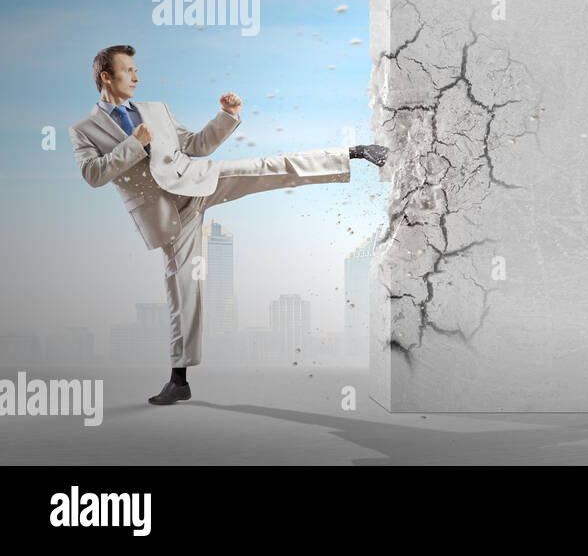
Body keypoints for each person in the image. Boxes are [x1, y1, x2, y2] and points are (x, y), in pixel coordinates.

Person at [68, 44, 389, 405]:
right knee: (182, 286)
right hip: (167, 213)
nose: (137, 76)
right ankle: (179, 380)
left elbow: (195, 145)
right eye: (128, 71)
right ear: (105, 77)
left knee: (265, 167)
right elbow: (93, 174)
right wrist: (132, 144)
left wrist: (226, 116)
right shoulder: (84, 130)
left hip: (198, 181)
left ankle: (354, 153)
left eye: (136, 69)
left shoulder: (157, 109)